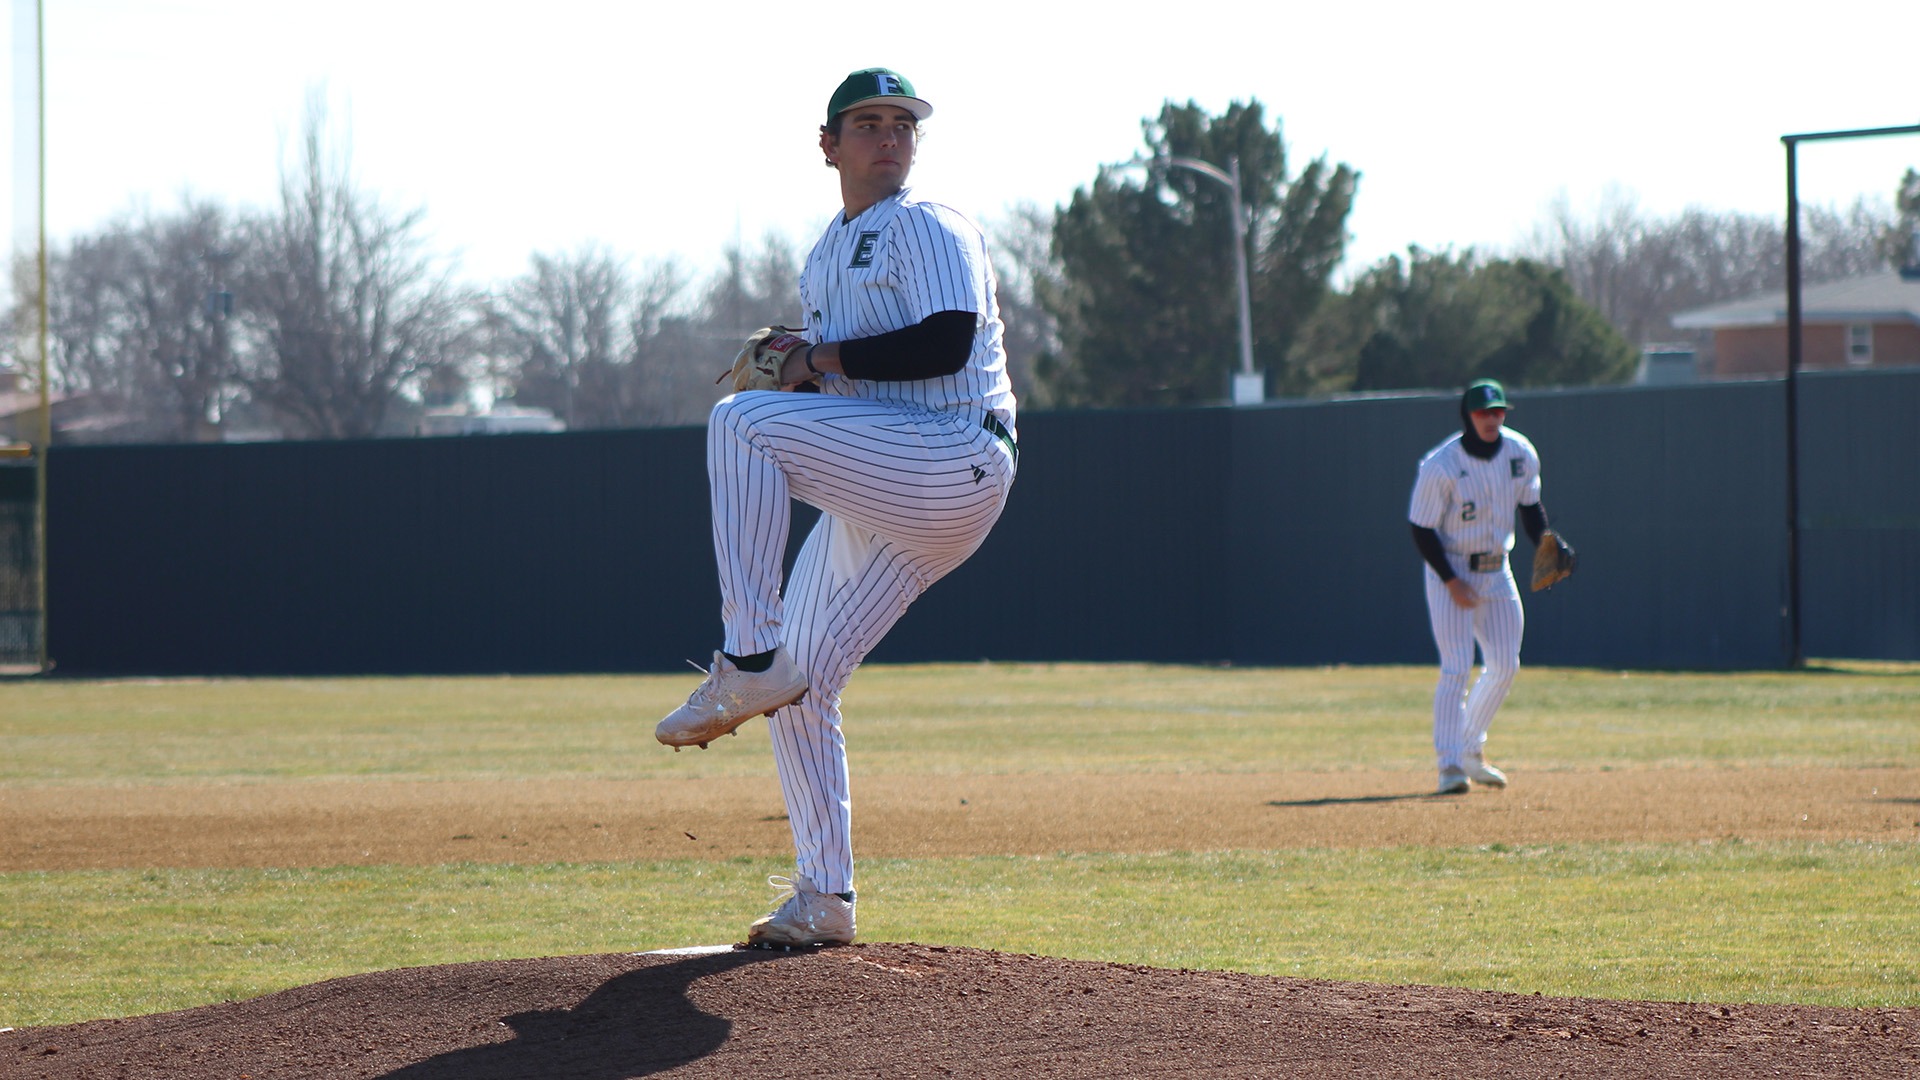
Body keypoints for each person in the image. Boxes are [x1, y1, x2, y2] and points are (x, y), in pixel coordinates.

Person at [655, 67, 1018, 948]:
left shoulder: (927, 224)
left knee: (741, 425)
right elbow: (846, 369)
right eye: (868, 123)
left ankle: (745, 655)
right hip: (887, 477)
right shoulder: (827, 250)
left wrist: (813, 364)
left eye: (903, 123)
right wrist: (807, 359)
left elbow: (946, 339)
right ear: (829, 145)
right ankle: (825, 895)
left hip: (953, 452)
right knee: (804, 683)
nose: (889, 137)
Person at [1406, 379, 1553, 795]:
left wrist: (1545, 542)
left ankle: (1470, 748)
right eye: (1483, 412)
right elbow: (1421, 528)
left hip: (1496, 568)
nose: (1492, 419)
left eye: (1498, 411)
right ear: (1467, 416)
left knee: (1505, 664)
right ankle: (1449, 764)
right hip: (1449, 566)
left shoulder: (1519, 453)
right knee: (1455, 667)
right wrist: (1451, 581)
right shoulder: (1442, 464)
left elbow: (1530, 507)